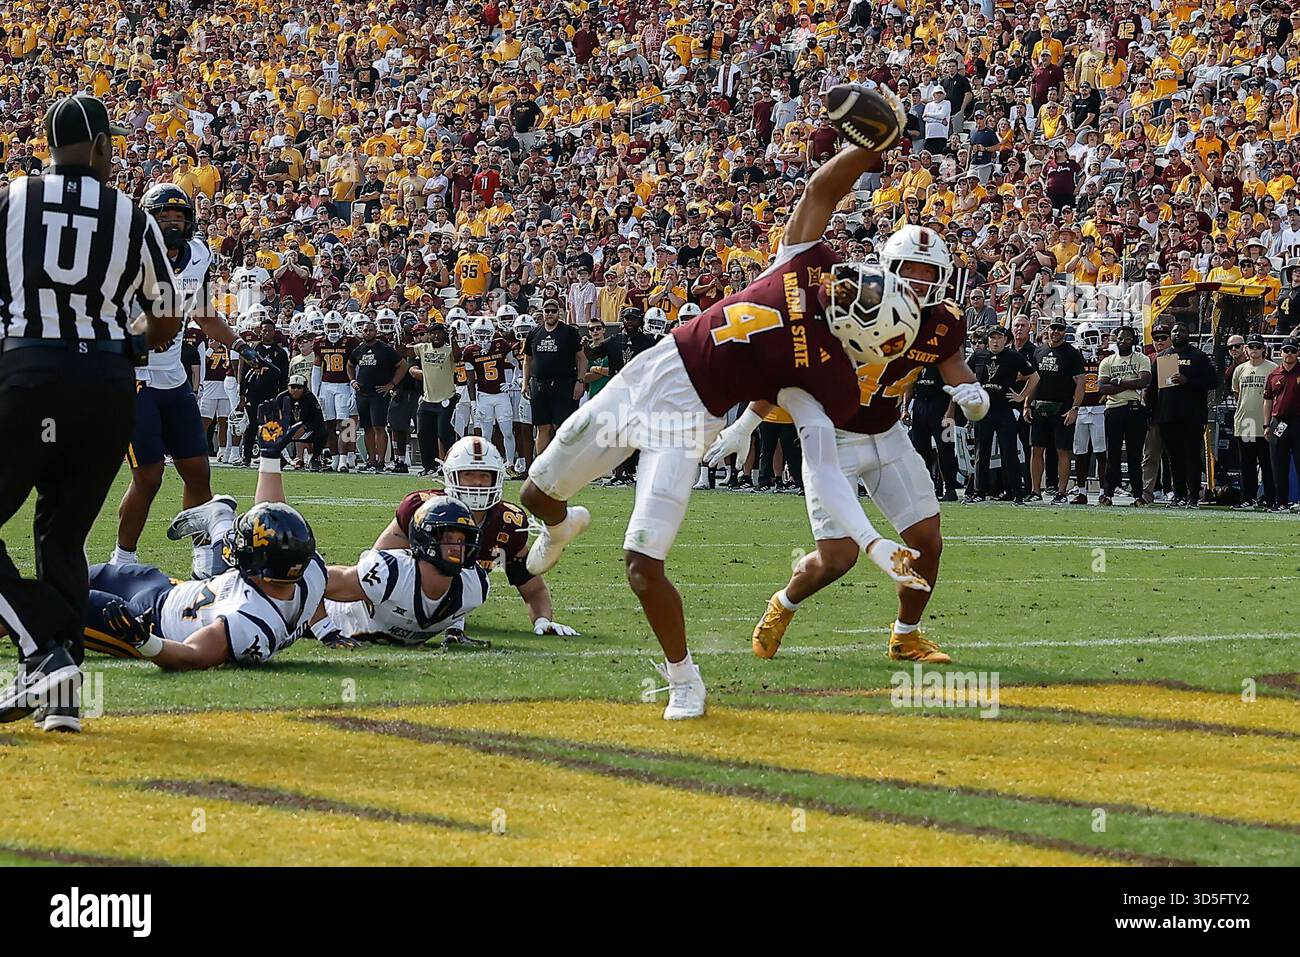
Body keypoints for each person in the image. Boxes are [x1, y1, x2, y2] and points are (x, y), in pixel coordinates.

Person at [517, 137, 933, 723]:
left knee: (642, 562)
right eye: (866, 284)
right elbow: (821, 190)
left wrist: (870, 541)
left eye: (865, 301)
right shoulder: (804, 263)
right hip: (645, 375)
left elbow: (822, 467)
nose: (851, 288)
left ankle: (685, 680)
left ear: (861, 338)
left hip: (687, 425)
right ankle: (561, 529)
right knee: (535, 494)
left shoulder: (828, 377)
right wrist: (867, 148)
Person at [713, 225, 991, 664]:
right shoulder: (850, 298)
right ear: (887, 271)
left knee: (927, 541)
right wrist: (746, 423)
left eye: (930, 273)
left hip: (888, 433)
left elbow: (952, 363)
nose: (921, 283)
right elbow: (793, 365)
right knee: (837, 558)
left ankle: (906, 636)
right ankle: (782, 605)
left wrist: (972, 395)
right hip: (833, 438)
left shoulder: (944, 318)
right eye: (911, 272)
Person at [0, 94, 179, 732]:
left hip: (31, 374)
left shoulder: (14, 198)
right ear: (101, 146)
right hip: (106, 384)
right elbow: (165, 319)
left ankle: (43, 647)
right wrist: (118, 344)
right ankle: (62, 697)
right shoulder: (133, 215)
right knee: (64, 534)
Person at [111, 184, 253, 573]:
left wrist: (238, 344)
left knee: (198, 471)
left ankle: (203, 558)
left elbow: (204, 311)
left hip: (173, 380)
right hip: (135, 378)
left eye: (179, 216)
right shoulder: (127, 256)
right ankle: (123, 557)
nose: (173, 223)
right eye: (164, 216)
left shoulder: (199, 256)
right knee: (149, 475)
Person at [372, 437, 581, 640]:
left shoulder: (507, 522)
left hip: (455, 603)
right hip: (405, 601)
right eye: (468, 474)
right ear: (451, 476)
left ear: (496, 478)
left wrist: (543, 620)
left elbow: (533, 588)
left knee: (471, 577)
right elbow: (376, 561)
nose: (477, 483)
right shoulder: (422, 509)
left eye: (484, 475)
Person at [968, 326, 1036, 503]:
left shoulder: (1013, 356)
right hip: (983, 410)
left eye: (999, 338)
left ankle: (1017, 493)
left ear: (1006, 340)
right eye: (992, 338)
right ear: (987, 339)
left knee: (1009, 452)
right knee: (981, 453)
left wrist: (1021, 396)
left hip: (1004, 410)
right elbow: (964, 374)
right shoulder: (979, 355)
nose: (995, 341)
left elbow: (1034, 376)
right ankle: (979, 492)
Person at [1022, 319, 1086, 504]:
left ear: (1065, 331)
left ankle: (1061, 492)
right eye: (1053, 328)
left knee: (1063, 451)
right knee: (1036, 450)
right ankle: (1035, 491)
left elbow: (1080, 383)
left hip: (1062, 408)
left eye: (1059, 329)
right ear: (1047, 329)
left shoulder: (1072, 354)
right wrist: (1027, 404)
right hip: (1040, 406)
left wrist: (1075, 408)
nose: (1055, 332)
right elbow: (1033, 381)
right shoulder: (1038, 351)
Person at [1153, 322, 1215, 507]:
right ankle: (1178, 495)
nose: (1178, 333)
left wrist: (1188, 381)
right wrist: (1153, 413)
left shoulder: (1199, 356)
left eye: (1182, 330)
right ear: (1170, 335)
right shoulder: (1163, 357)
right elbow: (1153, 388)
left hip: (1192, 416)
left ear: (1189, 334)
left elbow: (1212, 381)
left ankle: (1193, 496)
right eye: (1175, 331)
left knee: (1192, 457)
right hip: (1167, 415)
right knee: (1173, 458)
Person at [1096, 325, 1152, 506]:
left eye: (1127, 339)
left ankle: (1137, 495)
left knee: (1135, 455)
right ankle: (1108, 494)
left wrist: (1119, 382)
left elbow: (1144, 381)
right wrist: (1130, 384)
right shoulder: (1108, 361)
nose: (1123, 342)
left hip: (1135, 408)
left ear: (1134, 341)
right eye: (1120, 338)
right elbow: (1102, 387)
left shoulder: (1141, 359)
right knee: (1112, 454)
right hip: (1113, 409)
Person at [522, 297, 586, 454]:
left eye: (553, 311)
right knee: (542, 427)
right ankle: (542, 470)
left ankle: (563, 467)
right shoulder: (534, 333)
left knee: (562, 427)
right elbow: (527, 360)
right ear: (542, 313)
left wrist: (580, 381)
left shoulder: (569, 332)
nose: (550, 314)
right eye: (547, 311)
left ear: (560, 313)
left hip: (564, 384)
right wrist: (525, 383)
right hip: (539, 384)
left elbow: (582, 359)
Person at [348, 318, 407, 472]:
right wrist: (353, 380)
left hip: (379, 393)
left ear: (376, 332)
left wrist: (391, 384)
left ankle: (381, 462)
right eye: (365, 330)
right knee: (367, 428)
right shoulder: (358, 349)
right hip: (362, 393)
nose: (368, 333)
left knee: (378, 427)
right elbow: (350, 365)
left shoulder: (385, 349)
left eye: (371, 330)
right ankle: (371, 460)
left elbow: (402, 365)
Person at [465, 316, 518, 471]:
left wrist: (512, 383)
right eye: (479, 333)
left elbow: (516, 364)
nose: (481, 337)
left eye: (485, 333)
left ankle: (510, 464)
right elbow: (470, 380)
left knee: (507, 432)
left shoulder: (500, 345)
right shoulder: (470, 351)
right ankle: (486, 464)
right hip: (483, 396)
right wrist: (473, 402)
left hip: (501, 395)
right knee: (486, 434)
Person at [410, 323, 465, 471]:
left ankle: (447, 466)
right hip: (428, 399)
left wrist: (453, 338)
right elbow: (403, 352)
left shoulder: (448, 350)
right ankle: (429, 467)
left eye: (438, 333)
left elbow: (458, 356)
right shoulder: (423, 348)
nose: (435, 336)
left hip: (445, 399)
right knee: (423, 434)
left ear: (444, 335)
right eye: (432, 333)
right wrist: (401, 335)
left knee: (444, 435)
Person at [1231, 337, 1278, 509]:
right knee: (1247, 464)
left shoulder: (1273, 368)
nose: (1255, 349)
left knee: (1267, 463)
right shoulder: (1240, 369)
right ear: (1246, 348)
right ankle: (1248, 499)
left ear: (1264, 349)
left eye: (1258, 346)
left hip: (1265, 422)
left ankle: (1271, 499)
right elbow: (1237, 393)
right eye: (1251, 346)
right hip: (1245, 421)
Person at [313, 311, 360, 471]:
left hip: (344, 386)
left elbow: (355, 365)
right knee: (329, 425)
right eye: (330, 326)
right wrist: (315, 391)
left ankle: (344, 460)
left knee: (345, 423)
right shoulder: (320, 342)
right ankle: (334, 459)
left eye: (335, 326)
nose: (333, 330)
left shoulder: (350, 342)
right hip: (326, 386)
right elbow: (317, 368)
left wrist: (354, 388)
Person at [1264, 339, 1300, 511]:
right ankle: (1281, 502)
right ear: (1281, 352)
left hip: (1298, 422)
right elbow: (1268, 400)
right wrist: (1266, 425)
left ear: (1298, 353)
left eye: (1293, 350)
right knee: (1278, 464)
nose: (1289, 353)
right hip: (1279, 422)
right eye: (1286, 350)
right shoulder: (1274, 374)